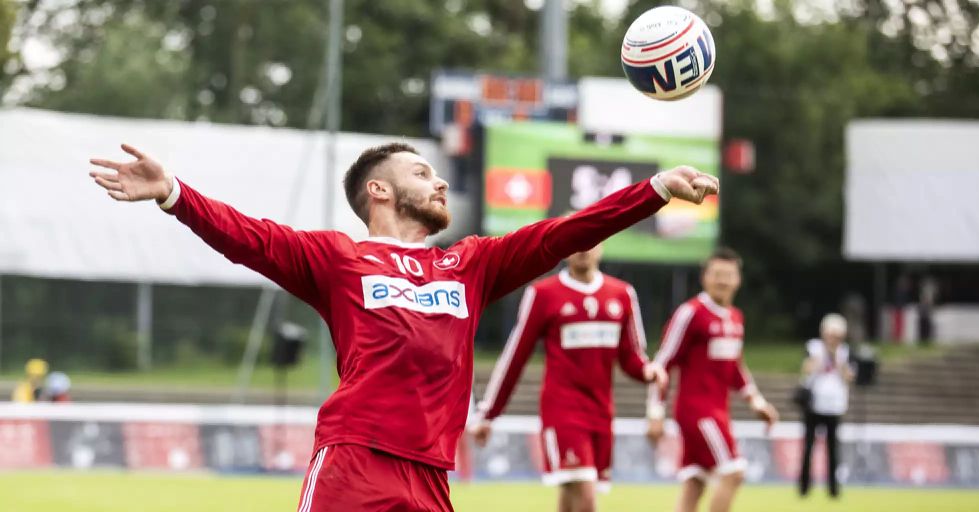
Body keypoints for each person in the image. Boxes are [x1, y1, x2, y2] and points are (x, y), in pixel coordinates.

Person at [88, 142, 718, 511]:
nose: (439, 179)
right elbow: (249, 239)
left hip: (431, 475)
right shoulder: (340, 259)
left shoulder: (469, 264)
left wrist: (654, 189)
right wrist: (174, 193)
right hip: (353, 462)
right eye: (422, 173)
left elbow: (561, 233)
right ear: (378, 191)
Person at [471, 243, 668, 512]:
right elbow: (514, 357)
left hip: (601, 412)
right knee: (585, 497)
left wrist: (648, 370)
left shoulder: (622, 294)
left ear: (602, 247)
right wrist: (489, 412)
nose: (583, 249)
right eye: (575, 242)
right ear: (564, 249)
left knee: (573, 494)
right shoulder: (542, 294)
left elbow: (631, 357)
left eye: (591, 241)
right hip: (562, 411)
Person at [646, 248, 778, 512]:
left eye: (729, 275)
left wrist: (757, 402)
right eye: (717, 274)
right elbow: (662, 362)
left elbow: (735, 367)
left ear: (738, 279)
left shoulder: (735, 317)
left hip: (718, 409)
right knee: (734, 472)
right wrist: (654, 412)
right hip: (697, 411)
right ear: (704, 278)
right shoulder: (691, 313)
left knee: (695, 484)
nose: (723, 281)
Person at [798, 313, 854, 499]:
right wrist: (822, 356)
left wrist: (838, 360)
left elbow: (849, 377)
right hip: (813, 404)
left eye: (836, 336)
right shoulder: (813, 348)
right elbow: (806, 369)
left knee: (833, 449)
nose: (833, 339)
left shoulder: (845, 352)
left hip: (834, 406)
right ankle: (804, 487)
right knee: (808, 448)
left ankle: (833, 489)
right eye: (830, 335)